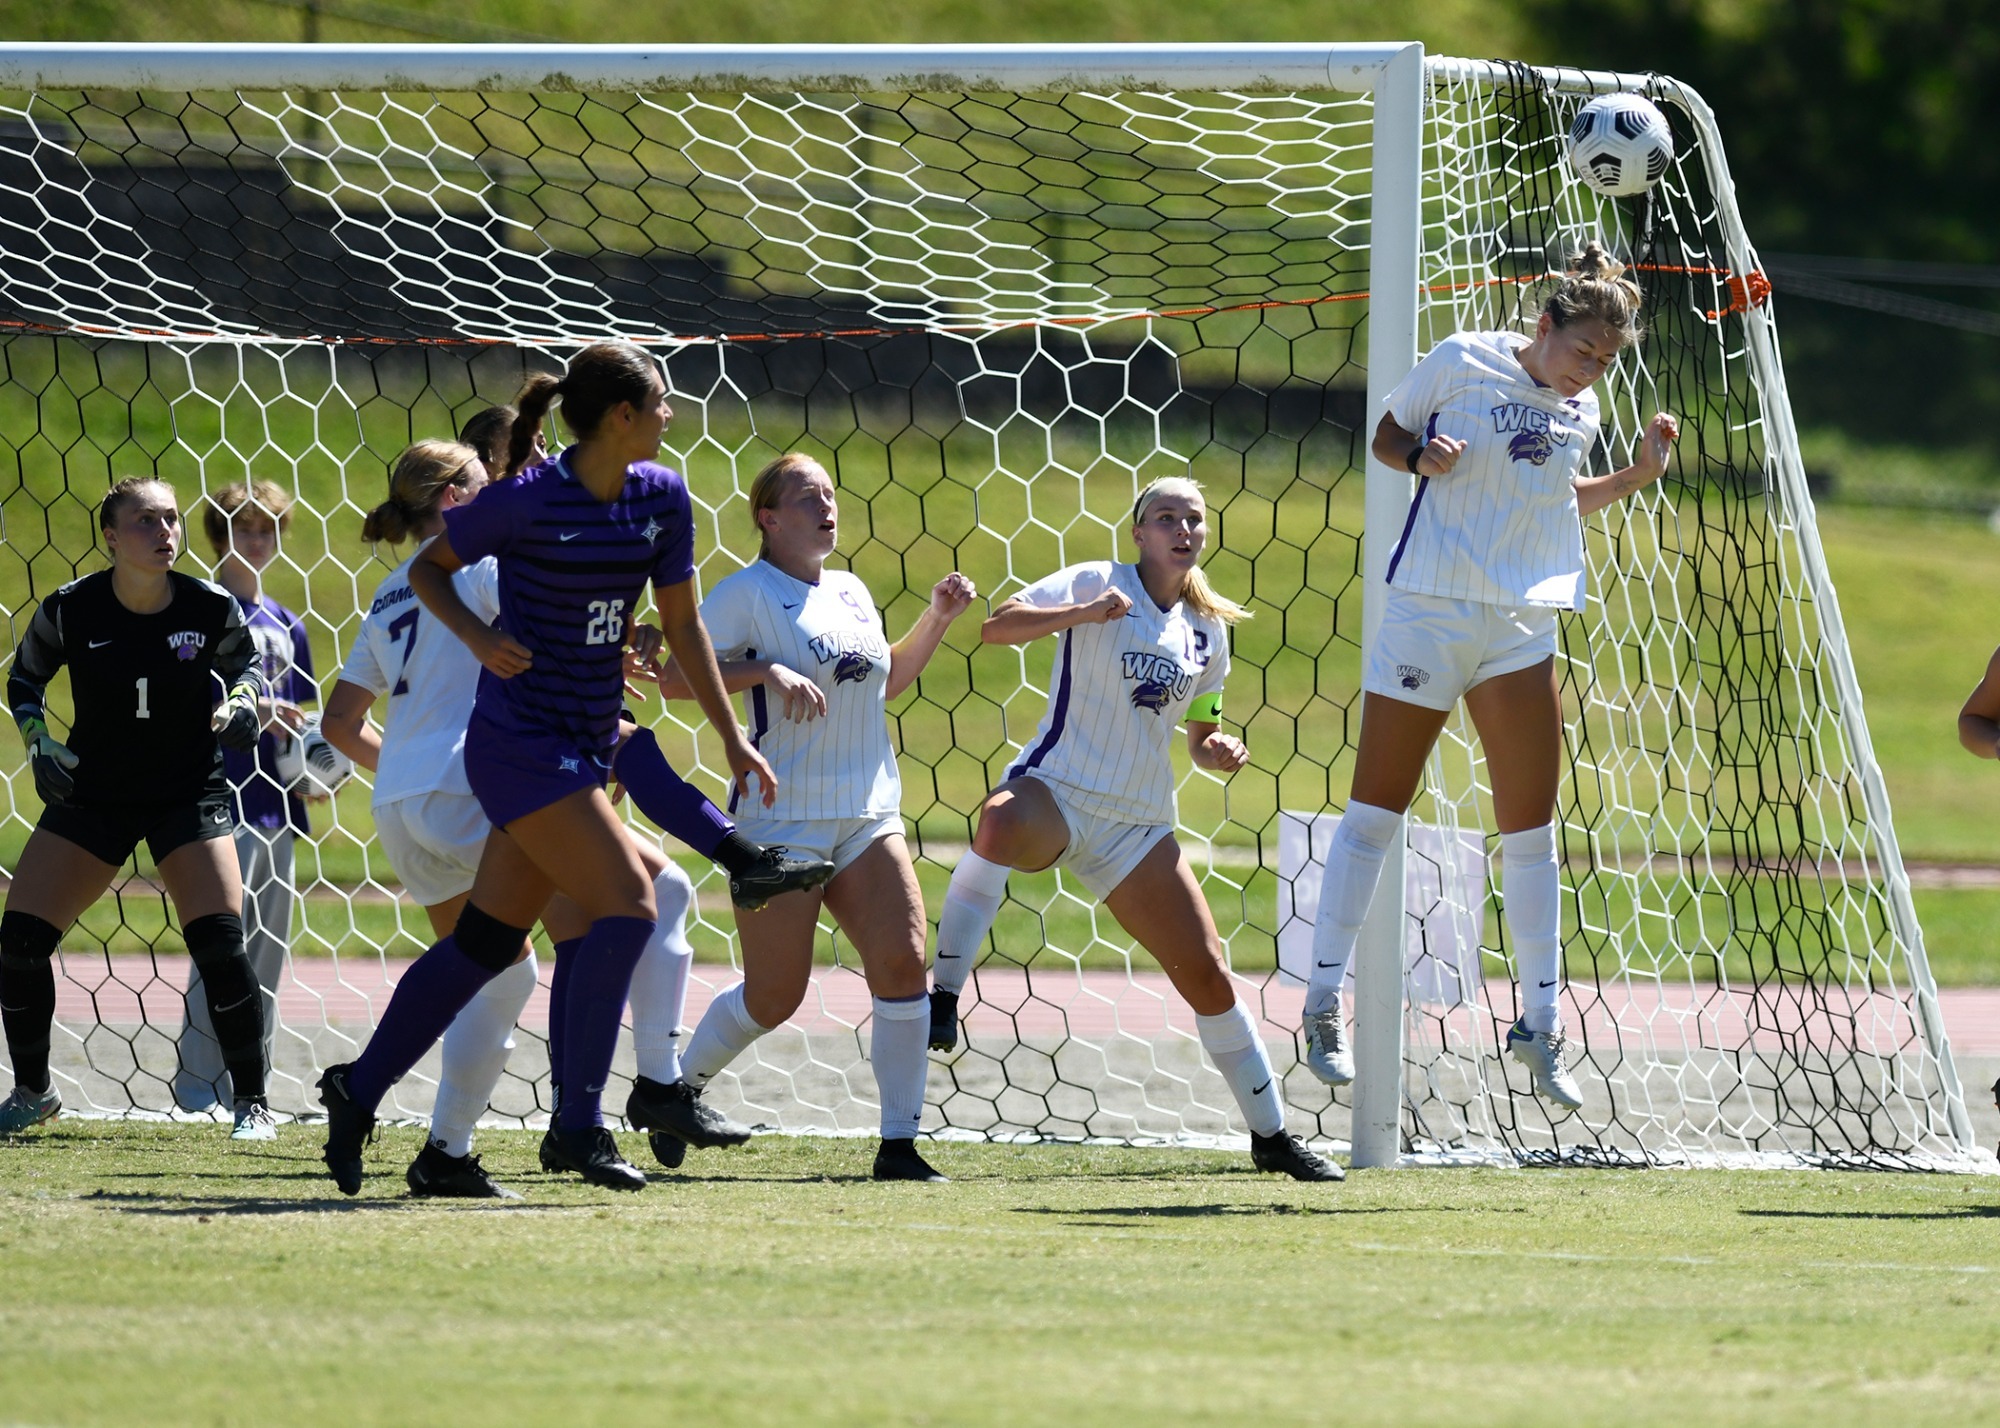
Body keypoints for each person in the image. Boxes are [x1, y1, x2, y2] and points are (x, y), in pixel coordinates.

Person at [315, 343, 779, 1195]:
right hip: (519, 747)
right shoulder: (526, 500)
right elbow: (427, 570)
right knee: (633, 904)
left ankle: (360, 1089)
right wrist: (479, 637)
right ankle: (578, 1127)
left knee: (487, 944)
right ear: (621, 416)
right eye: (663, 402)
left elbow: (682, 629)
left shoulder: (662, 498)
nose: (675, 416)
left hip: (582, 743)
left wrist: (730, 735)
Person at [1297, 243, 1679, 1111]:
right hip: (1429, 610)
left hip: (1519, 623)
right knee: (1373, 812)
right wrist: (1420, 454)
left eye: (1607, 360)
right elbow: (1387, 435)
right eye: (1583, 350)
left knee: (1532, 828)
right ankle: (1322, 1004)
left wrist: (1639, 475)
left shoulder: (1577, 413)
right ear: (1543, 326)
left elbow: (1556, 500)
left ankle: (1540, 1028)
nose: (1591, 371)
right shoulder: (1460, 357)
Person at [928, 476, 1342, 1181]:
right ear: (1139, 533)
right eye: (1166, 518)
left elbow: (1200, 731)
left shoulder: (1207, 630)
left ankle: (1273, 1139)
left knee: (1210, 975)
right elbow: (997, 627)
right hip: (1058, 791)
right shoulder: (1097, 579)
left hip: (1138, 825)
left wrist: (1217, 749)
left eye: (1194, 520)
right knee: (997, 822)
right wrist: (1084, 613)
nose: (1183, 529)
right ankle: (942, 995)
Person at [649, 452, 976, 1182]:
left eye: (829, 493)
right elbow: (674, 678)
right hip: (780, 818)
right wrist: (764, 671)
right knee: (776, 995)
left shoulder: (853, 590)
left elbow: (883, 680)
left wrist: (938, 618)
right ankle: (673, 1090)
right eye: (806, 498)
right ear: (768, 518)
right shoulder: (743, 594)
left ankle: (898, 1147)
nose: (826, 507)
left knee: (900, 964)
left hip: (866, 811)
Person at [458, 403, 831, 912]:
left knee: (510, 949)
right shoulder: (497, 543)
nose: (546, 457)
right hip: (499, 755)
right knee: (640, 899)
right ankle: (745, 859)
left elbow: (557, 613)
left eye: (548, 443)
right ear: (485, 469)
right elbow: (541, 610)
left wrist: (623, 635)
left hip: (511, 748)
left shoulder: (511, 537)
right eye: (531, 447)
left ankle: (745, 859)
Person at [0, 477, 274, 1139]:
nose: (165, 533)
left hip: (188, 792)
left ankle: (253, 1104)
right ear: (112, 536)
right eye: (147, 521)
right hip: (95, 793)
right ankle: (34, 1092)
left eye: (172, 520)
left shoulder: (210, 606)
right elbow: (24, 678)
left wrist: (243, 705)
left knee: (219, 945)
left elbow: (250, 668)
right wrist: (38, 742)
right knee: (19, 944)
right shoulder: (71, 608)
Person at [174, 480, 316, 1114]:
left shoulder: (289, 623)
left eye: (267, 529)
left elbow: (304, 718)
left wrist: (315, 766)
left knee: (267, 954)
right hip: (218, 801)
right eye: (243, 528)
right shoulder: (200, 611)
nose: (256, 540)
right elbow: (182, 701)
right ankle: (196, 1087)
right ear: (218, 537)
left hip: (277, 806)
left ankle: (247, 1089)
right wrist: (251, 709)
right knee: (221, 948)